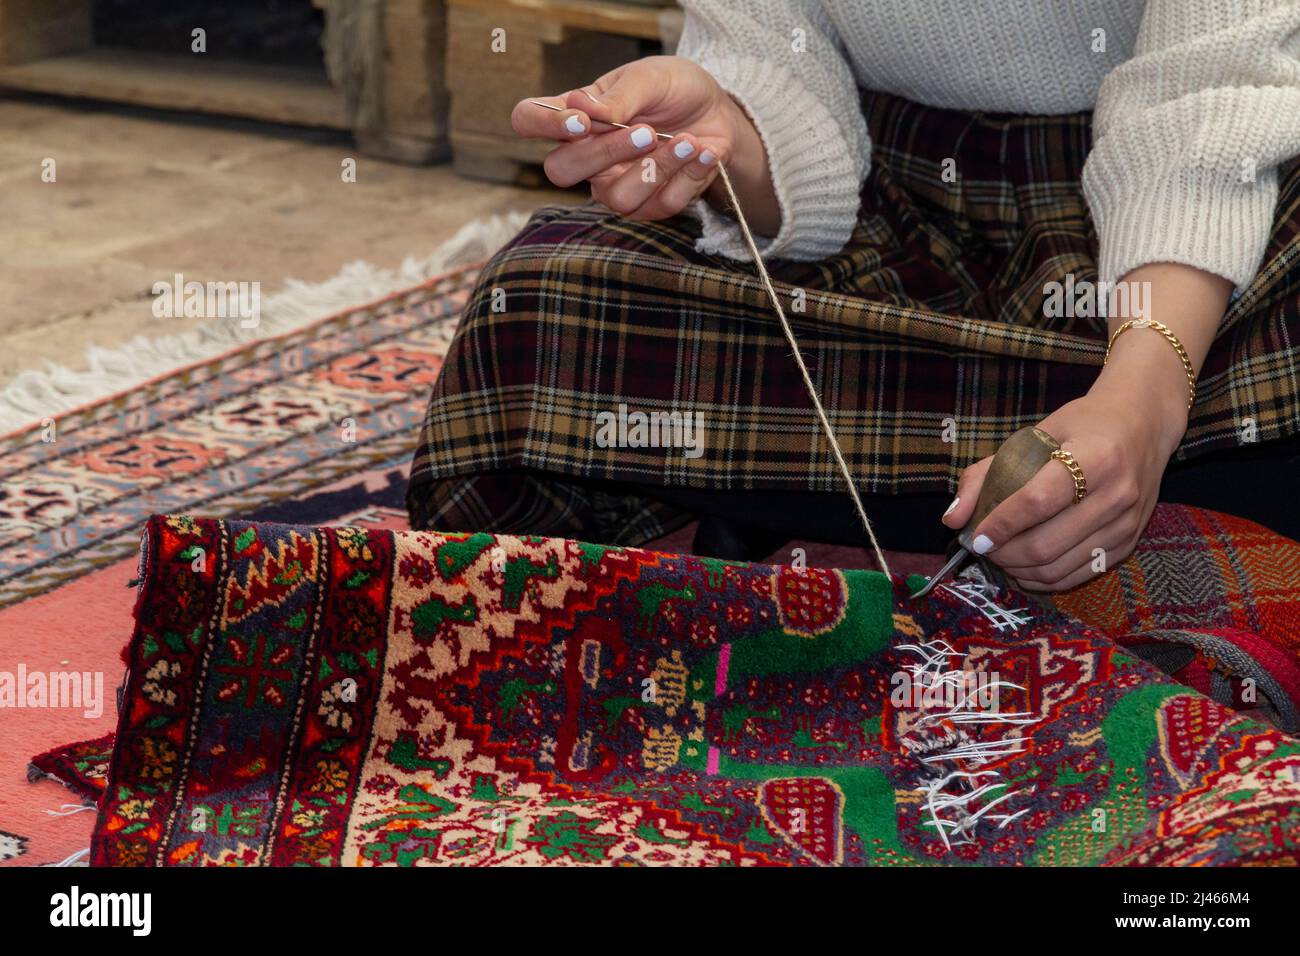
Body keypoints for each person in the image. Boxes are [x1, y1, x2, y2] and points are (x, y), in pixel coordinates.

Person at [407, 0, 1300, 592]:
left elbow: (1207, 103)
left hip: (1197, 220)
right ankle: (1174, 483)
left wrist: (1142, 395)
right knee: (540, 301)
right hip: (907, 201)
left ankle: (813, 487)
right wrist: (725, 135)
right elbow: (774, 68)